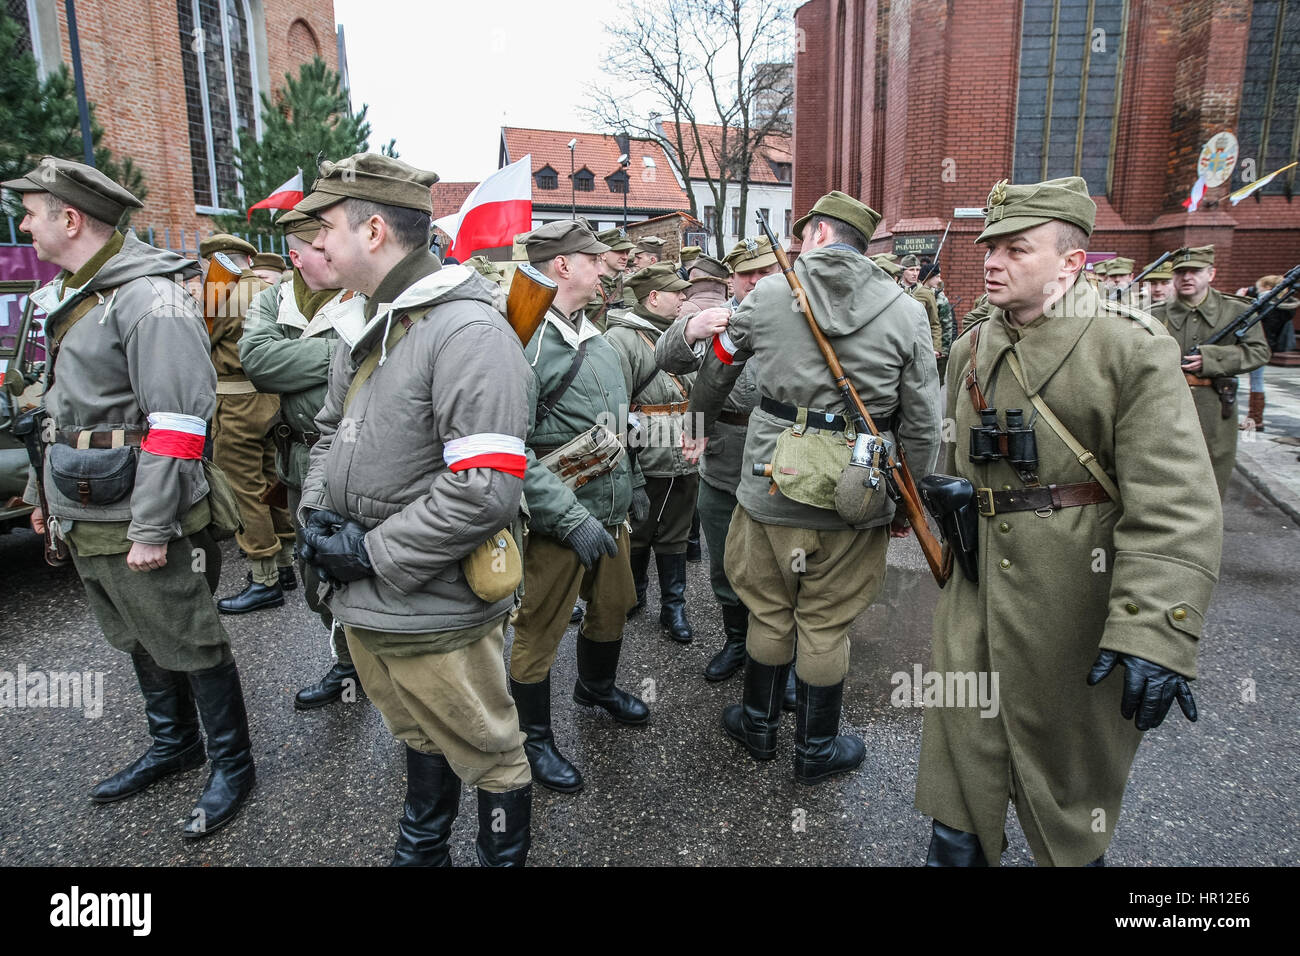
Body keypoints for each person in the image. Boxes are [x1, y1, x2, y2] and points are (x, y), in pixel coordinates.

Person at [916, 176, 1223, 867]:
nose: (991, 261)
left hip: (1072, 604)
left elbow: (1174, 503)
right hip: (973, 600)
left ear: (1071, 262)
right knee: (958, 804)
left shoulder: (1129, 347)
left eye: (1016, 249)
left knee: (1068, 814)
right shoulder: (970, 350)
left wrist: (1155, 628)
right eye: (989, 246)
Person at [7, 156, 255, 839]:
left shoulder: (149, 296)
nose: (23, 224)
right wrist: (42, 496)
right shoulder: (73, 293)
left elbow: (180, 422)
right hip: (85, 502)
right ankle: (176, 745)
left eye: (30, 212)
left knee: (189, 636)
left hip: (139, 511)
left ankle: (232, 765)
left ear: (70, 217)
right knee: (137, 636)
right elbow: (57, 408)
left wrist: (152, 527)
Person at [295, 152, 532, 866]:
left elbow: (486, 488)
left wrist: (370, 552)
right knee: (419, 731)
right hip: (368, 599)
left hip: (430, 601)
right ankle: (423, 848)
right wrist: (314, 516)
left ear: (372, 231)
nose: (316, 246)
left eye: (325, 228)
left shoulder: (469, 332)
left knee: (490, 752)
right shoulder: (372, 321)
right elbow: (328, 432)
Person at [688, 191, 941, 783]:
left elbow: (720, 365)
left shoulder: (769, 295)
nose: (798, 244)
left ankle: (758, 726)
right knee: (825, 623)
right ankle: (815, 750)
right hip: (858, 489)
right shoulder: (907, 310)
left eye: (805, 234)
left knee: (770, 612)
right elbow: (925, 420)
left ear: (821, 234)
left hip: (772, 485)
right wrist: (912, 495)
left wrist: (697, 423)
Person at [509, 219, 650, 794]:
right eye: (593, 259)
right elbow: (508, 450)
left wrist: (634, 478)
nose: (604, 267)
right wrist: (567, 518)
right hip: (556, 519)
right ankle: (532, 740)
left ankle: (594, 688)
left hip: (609, 506)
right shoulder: (523, 340)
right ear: (562, 265)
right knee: (538, 629)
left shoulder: (597, 336)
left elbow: (616, 424)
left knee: (613, 605)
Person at [239, 208, 369, 710]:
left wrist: (306, 358)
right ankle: (347, 665)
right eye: (320, 246)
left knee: (374, 565)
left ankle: (388, 672)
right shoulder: (273, 298)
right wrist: (342, 352)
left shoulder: (362, 291)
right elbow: (259, 363)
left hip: (361, 454)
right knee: (316, 574)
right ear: (296, 256)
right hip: (300, 462)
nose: (333, 252)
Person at [655, 235, 787, 690]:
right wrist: (690, 329)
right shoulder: (716, 319)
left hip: (782, 457)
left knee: (781, 563)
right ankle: (736, 640)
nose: (754, 281)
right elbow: (666, 358)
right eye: (745, 273)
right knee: (726, 560)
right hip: (724, 452)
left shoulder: (798, 315)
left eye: (764, 271)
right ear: (731, 278)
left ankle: (781, 658)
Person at [201, 233, 296, 613]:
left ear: (216, 261)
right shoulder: (272, 290)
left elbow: (201, 342)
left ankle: (264, 577)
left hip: (236, 401)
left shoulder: (222, 295)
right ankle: (287, 561)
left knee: (244, 489)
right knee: (274, 480)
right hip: (272, 397)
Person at [606, 263, 699, 643]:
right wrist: (629, 470)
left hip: (687, 449)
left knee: (676, 533)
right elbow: (615, 410)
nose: (684, 298)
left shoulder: (686, 334)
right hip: (645, 452)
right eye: (676, 292)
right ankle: (636, 593)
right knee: (641, 530)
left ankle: (673, 606)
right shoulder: (621, 340)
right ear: (653, 297)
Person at [1150, 246, 1270, 498]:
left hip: (1215, 405)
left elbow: (1259, 352)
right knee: (1165, 471)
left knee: (1212, 475)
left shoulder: (1236, 311)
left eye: (1195, 271)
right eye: (1181, 272)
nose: (1187, 277)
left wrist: (1213, 358)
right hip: (1166, 403)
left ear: (1211, 274)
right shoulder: (1155, 315)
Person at [1240, 274, 1295, 431]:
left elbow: (1246, 319)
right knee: (1257, 382)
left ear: (1267, 287)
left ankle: (1254, 420)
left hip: (1253, 345)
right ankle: (1256, 419)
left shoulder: (1264, 303)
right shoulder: (1281, 304)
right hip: (1266, 346)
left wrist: (1241, 298)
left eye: (1258, 288)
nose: (1255, 290)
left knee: (1238, 380)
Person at [585, 227, 633, 332]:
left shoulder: (632, 284)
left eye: (627, 252)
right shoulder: (587, 284)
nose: (625, 257)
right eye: (619, 251)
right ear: (603, 254)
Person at [921, 262, 955, 378]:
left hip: (937, 347)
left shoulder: (940, 298)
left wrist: (944, 350)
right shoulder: (917, 293)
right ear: (929, 277)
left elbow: (947, 325)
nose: (939, 280)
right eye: (937, 276)